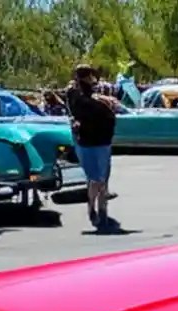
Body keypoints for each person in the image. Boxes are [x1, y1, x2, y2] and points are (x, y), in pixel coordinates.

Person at [65, 64, 118, 231]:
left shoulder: (79, 93)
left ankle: (98, 210)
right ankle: (96, 210)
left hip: (90, 140)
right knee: (98, 179)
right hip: (94, 140)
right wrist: (106, 104)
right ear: (87, 77)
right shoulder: (80, 96)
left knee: (96, 179)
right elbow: (91, 108)